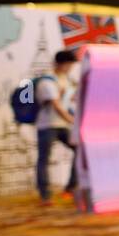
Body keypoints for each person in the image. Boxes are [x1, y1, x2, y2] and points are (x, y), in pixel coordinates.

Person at [35, 49, 79, 205]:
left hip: (62, 125)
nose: (70, 68)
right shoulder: (47, 81)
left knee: (79, 150)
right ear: (61, 64)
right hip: (47, 125)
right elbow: (57, 106)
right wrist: (73, 120)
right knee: (44, 159)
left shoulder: (66, 79)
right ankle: (45, 195)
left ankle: (71, 187)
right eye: (69, 64)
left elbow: (70, 99)